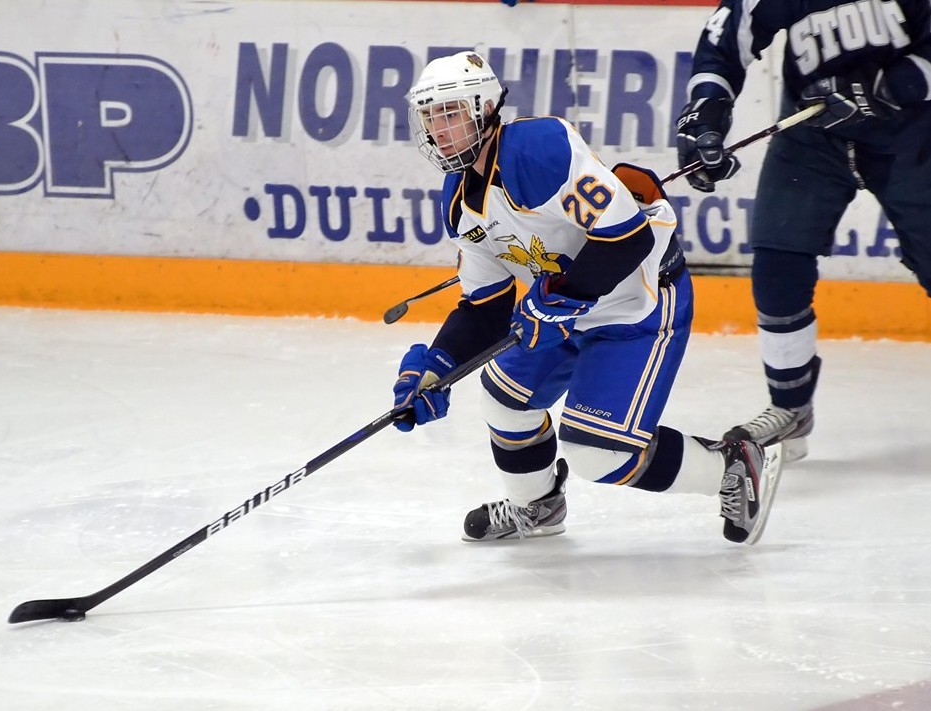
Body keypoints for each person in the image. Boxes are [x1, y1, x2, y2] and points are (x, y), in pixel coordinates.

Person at [393, 51, 780, 545]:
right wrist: (436, 366)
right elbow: (485, 305)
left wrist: (561, 297)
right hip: (564, 310)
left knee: (598, 453)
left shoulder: (540, 150)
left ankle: (728, 465)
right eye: (430, 117)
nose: (438, 130)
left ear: (485, 108)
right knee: (505, 398)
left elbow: (629, 238)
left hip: (636, 303)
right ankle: (537, 505)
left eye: (449, 113)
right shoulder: (458, 200)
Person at [676, 1, 931, 461]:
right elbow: (724, 44)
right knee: (778, 262)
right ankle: (790, 407)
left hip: (914, 135)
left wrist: (889, 85)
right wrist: (704, 117)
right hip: (815, 134)